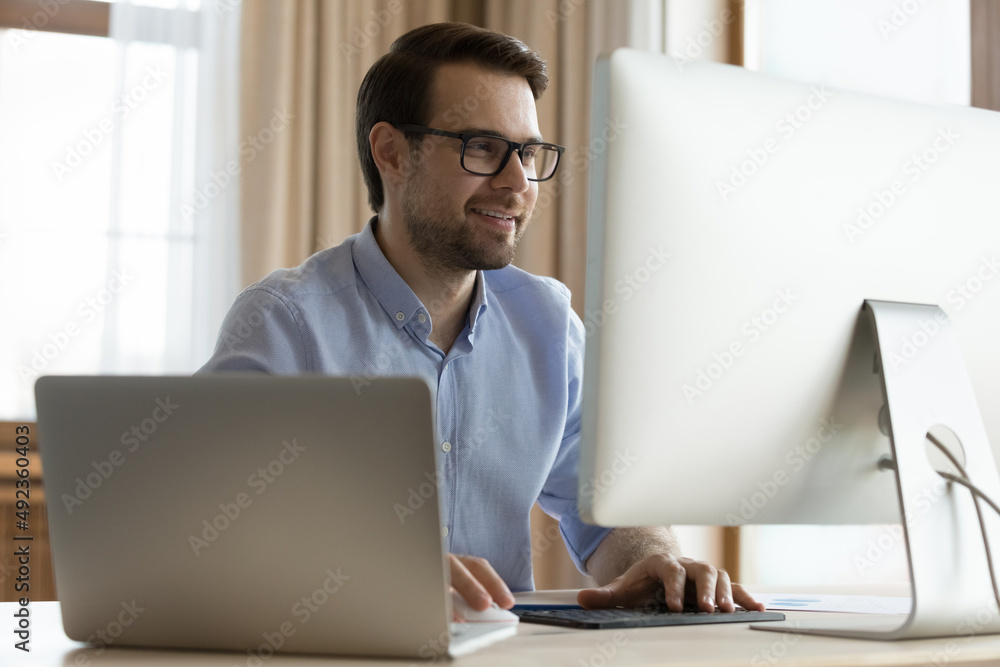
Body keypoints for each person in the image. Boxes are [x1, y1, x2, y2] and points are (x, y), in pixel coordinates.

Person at [200, 21, 763, 615]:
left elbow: (608, 516)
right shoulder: (287, 323)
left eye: (528, 153)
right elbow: (204, 530)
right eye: (484, 148)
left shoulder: (547, 323)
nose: (518, 183)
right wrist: (381, 573)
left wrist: (656, 560)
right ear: (391, 153)